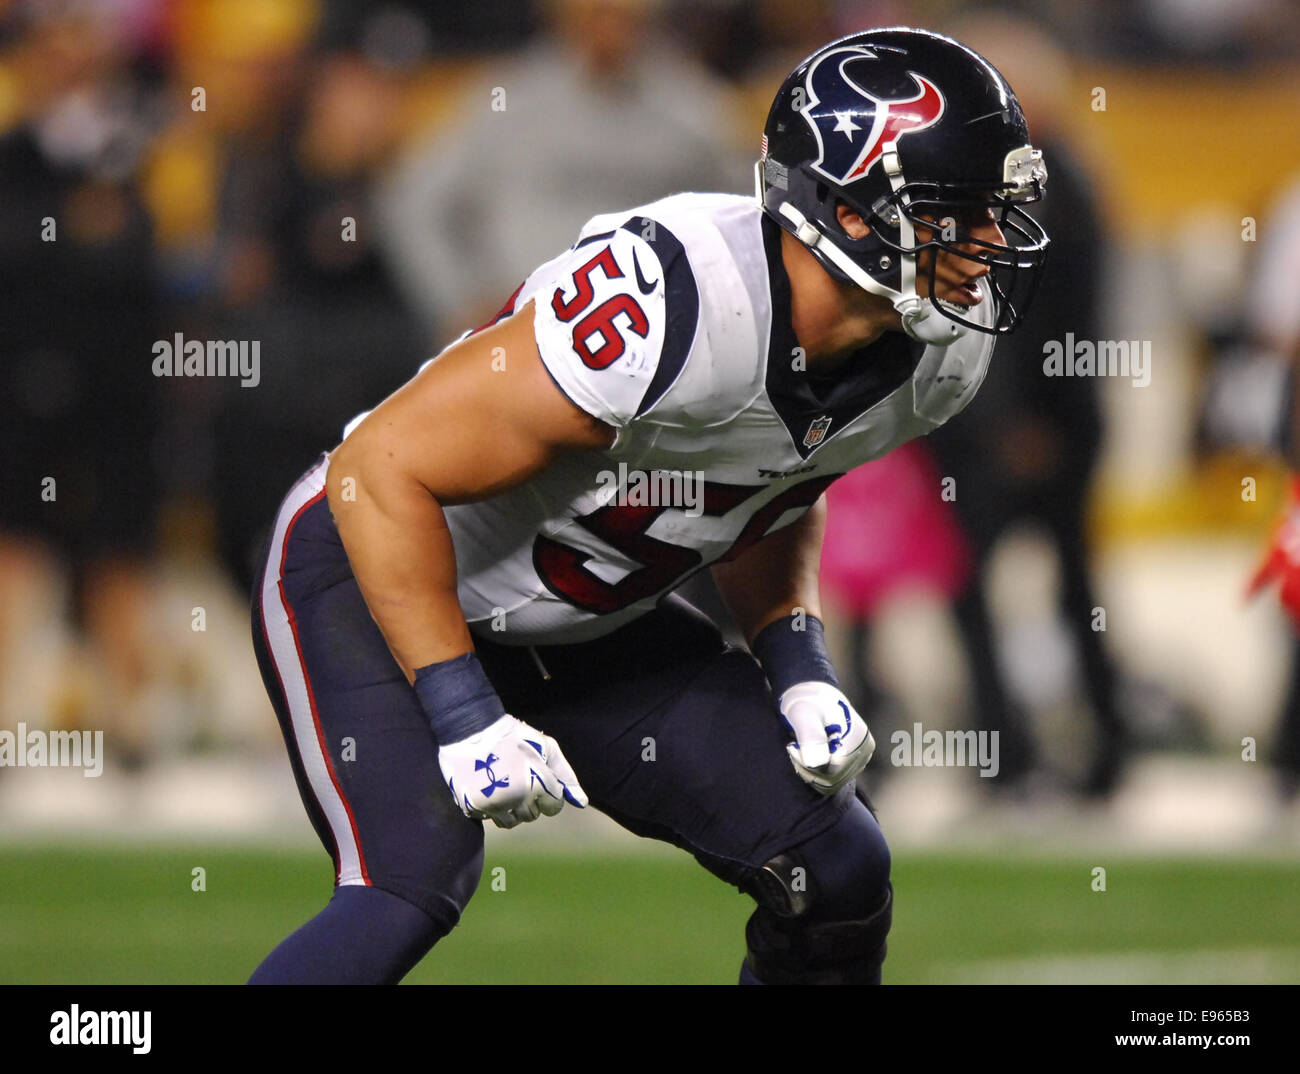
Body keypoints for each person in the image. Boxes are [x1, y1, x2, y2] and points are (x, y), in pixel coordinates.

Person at [247, 27, 1049, 985]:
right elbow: (379, 471)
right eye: (961, 212)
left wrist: (796, 660)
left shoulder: (938, 356)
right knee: (408, 881)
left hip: (582, 621)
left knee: (836, 866)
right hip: (377, 571)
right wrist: (462, 711)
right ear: (854, 210)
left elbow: (778, 485)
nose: (994, 243)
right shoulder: (677, 297)